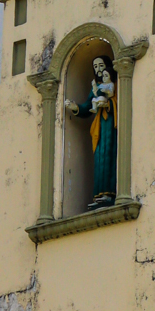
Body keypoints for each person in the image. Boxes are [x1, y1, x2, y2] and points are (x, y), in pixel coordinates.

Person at [65, 56, 118, 208]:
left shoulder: (114, 84)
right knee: (99, 158)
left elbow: (118, 102)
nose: (98, 69)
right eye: (95, 67)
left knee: (108, 156)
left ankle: (109, 193)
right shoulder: (96, 88)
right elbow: (87, 106)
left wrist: (109, 105)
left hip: (111, 125)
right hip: (99, 127)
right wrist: (76, 108)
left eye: (101, 65)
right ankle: (99, 194)